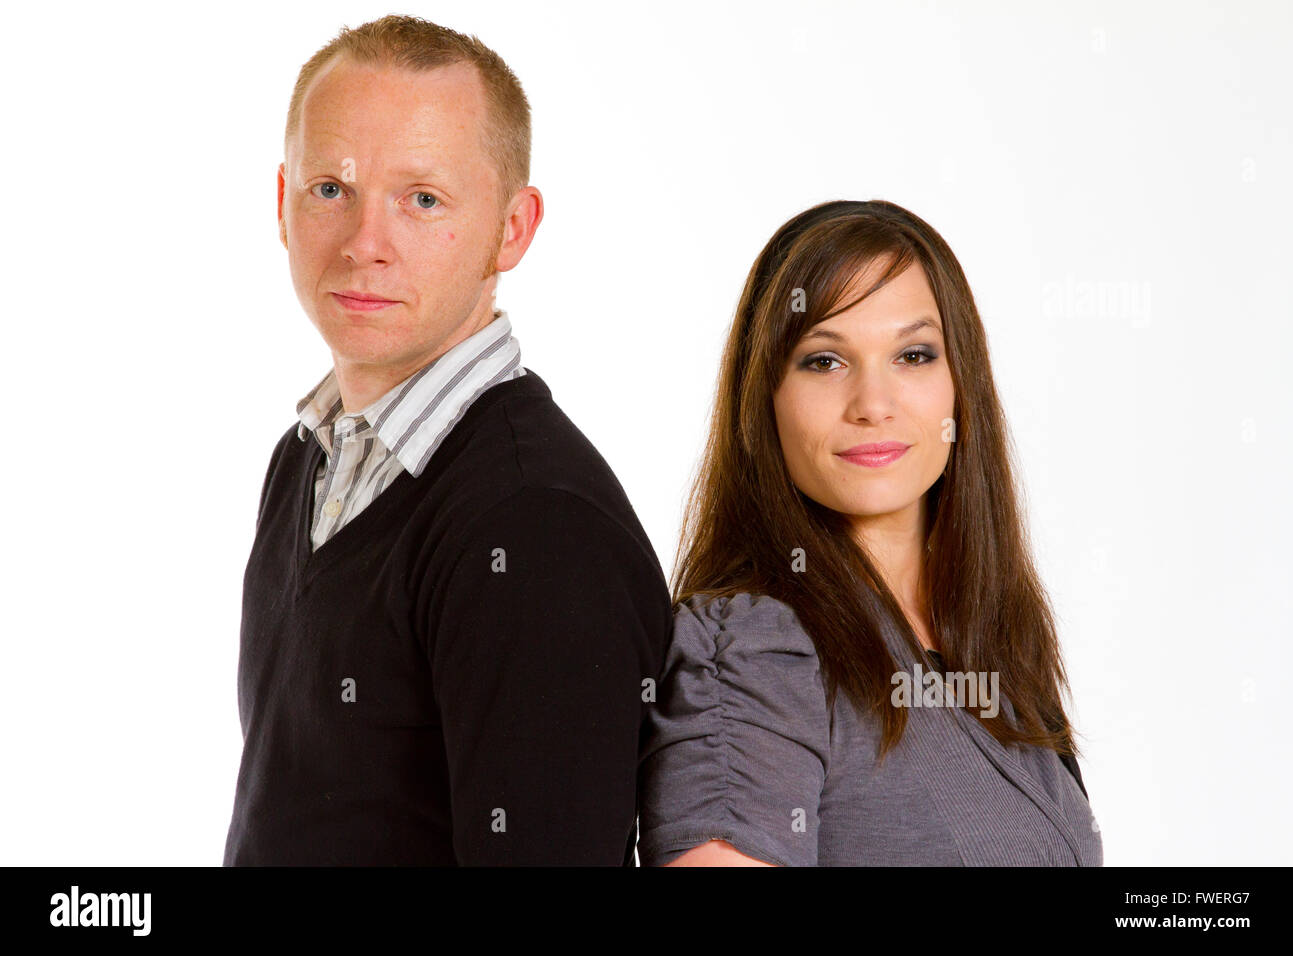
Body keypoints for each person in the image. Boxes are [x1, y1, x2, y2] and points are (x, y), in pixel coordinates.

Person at [222, 15, 671, 866]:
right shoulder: (310, 459)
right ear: (282, 203)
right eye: (331, 189)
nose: (365, 244)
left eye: (421, 199)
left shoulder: (536, 526)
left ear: (513, 229)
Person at [637, 200, 1103, 866]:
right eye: (824, 361)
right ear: (764, 397)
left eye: (913, 355)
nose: (873, 404)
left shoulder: (988, 641)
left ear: (959, 386)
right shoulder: (753, 652)